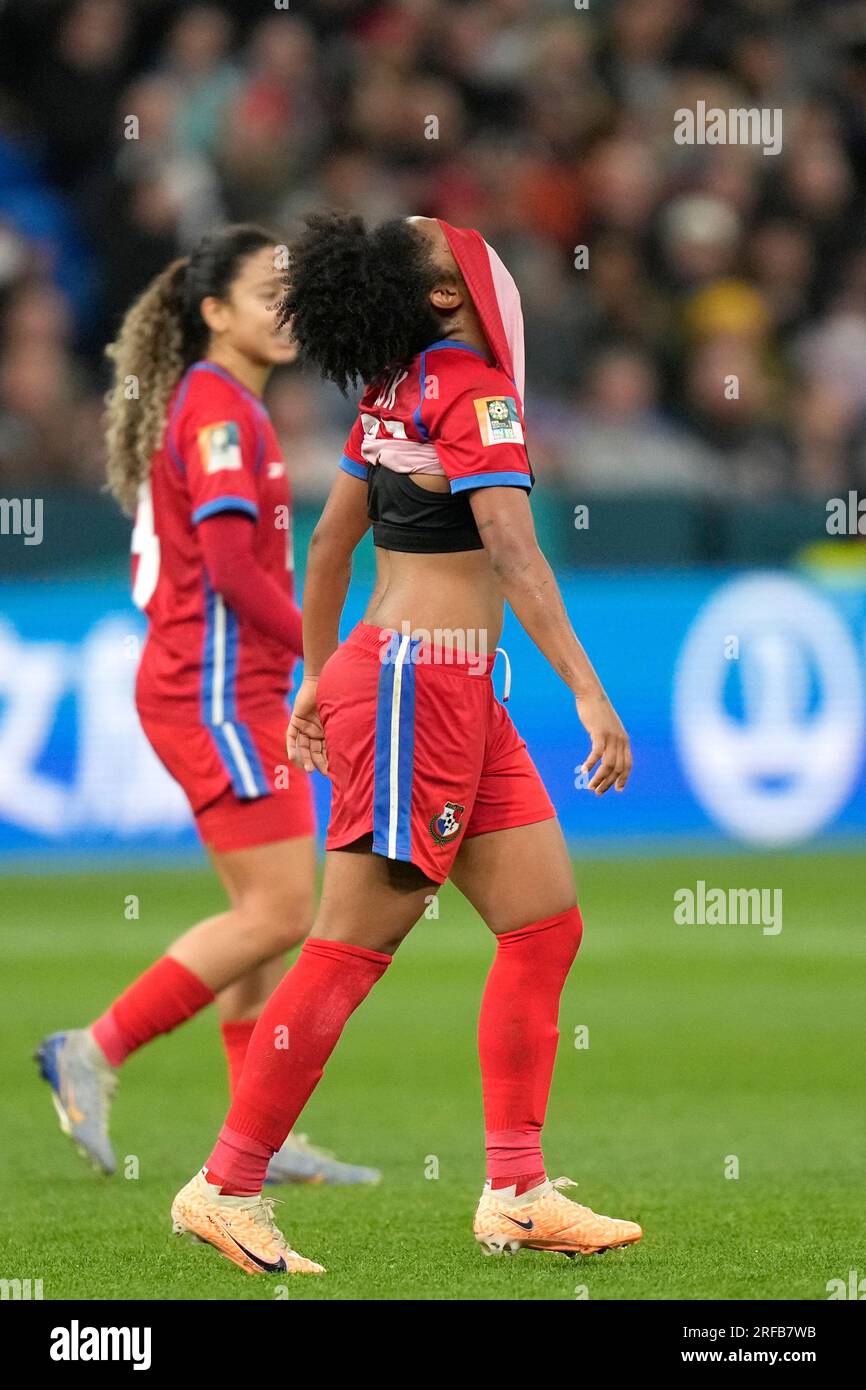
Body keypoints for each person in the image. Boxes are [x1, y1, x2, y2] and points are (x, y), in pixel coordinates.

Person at [170, 213, 642, 1275]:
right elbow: (511, 551)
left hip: (425, 685)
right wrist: (587, 691)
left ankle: (516, 1190)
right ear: (447, 294)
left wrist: (313, 679)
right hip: (413, 690)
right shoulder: (470, 388)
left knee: (541, 924)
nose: (461, 239)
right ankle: (227, 1184)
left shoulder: (393, 387)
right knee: (349, 946)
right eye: (444, 244)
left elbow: (328, 544)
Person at [35, 224, 378, 1187]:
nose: (284, 304)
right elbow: (230, 569)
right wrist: (329, 657)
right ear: (216, 313)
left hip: (233, 687)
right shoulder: (222, 413)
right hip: (213, 690)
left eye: (290, 288)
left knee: (263, 914)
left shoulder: (217, 403)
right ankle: (93, 1048)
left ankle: (253, 1137)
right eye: (265, 289)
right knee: (276, 911)